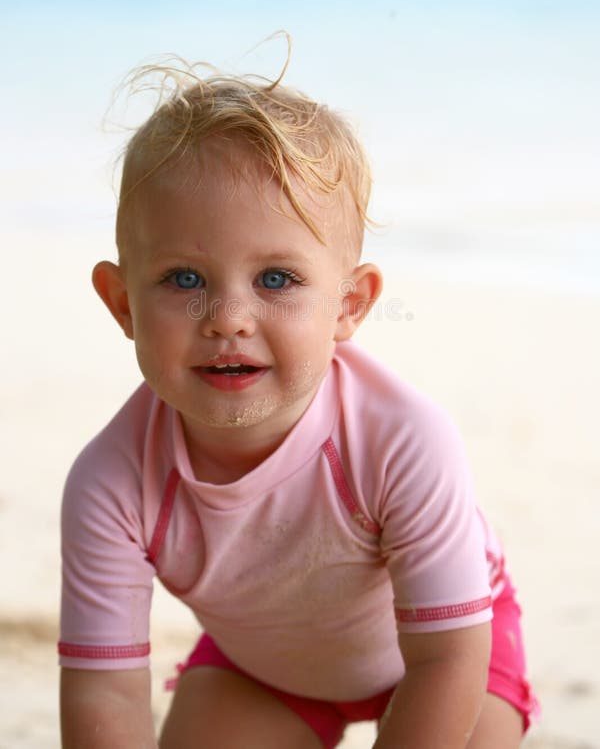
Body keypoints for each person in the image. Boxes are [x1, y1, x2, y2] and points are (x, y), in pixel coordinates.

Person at [59, 56, 538, 748]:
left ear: (348, 304)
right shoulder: (112, 484)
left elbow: (448, 655)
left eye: (276, 278)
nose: (227, 316)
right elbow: (106, 689)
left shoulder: (401, 438)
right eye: (184, 277)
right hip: (262, 670)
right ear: (123, 302)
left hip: (447, 655)